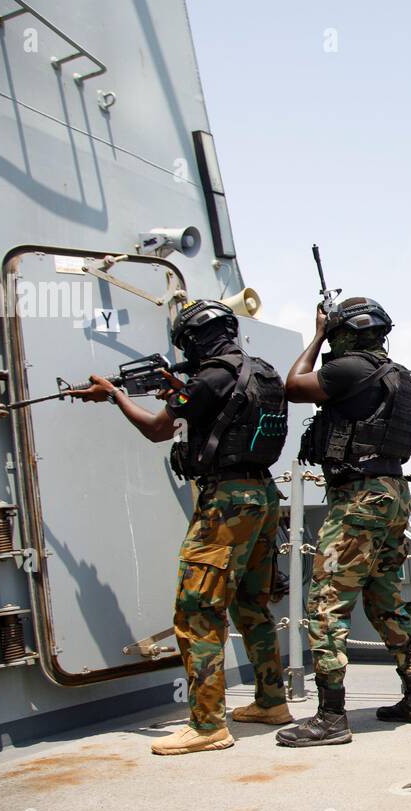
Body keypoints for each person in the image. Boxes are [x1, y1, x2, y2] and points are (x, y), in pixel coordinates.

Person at [70, 299, 291, 755]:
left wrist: (115, 395)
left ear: (192, 339)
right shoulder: (264, 371)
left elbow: (157, 430)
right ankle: (272, 702)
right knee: (251, 603)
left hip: (226, 501)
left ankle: (207, 724)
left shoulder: (208, 378)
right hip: (264, 496)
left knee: (198, 608)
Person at [276, 295, 411, 747]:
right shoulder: (405, 378)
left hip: (359, 498)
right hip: (393, 494)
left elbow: (293, 385)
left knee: (325, 605)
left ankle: (330, 717)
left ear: (345, 332)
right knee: (384, 599)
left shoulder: (349, 369)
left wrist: (317, 334)